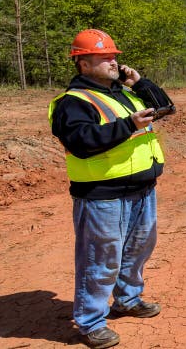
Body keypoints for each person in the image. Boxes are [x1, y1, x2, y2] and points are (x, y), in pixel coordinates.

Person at [48, 29, 167, 349]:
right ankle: (90, 321)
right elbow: (81, 142)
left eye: (114, 56)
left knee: (137, 250)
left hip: (142, 188)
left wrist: (140, 83)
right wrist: (129, 125)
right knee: (100, 260)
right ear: (84, 63)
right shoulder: (72, 102)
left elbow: (166, 108)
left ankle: (127, 300)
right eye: (105, 57)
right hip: (103, 195)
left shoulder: (124, 94)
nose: (114, 62)